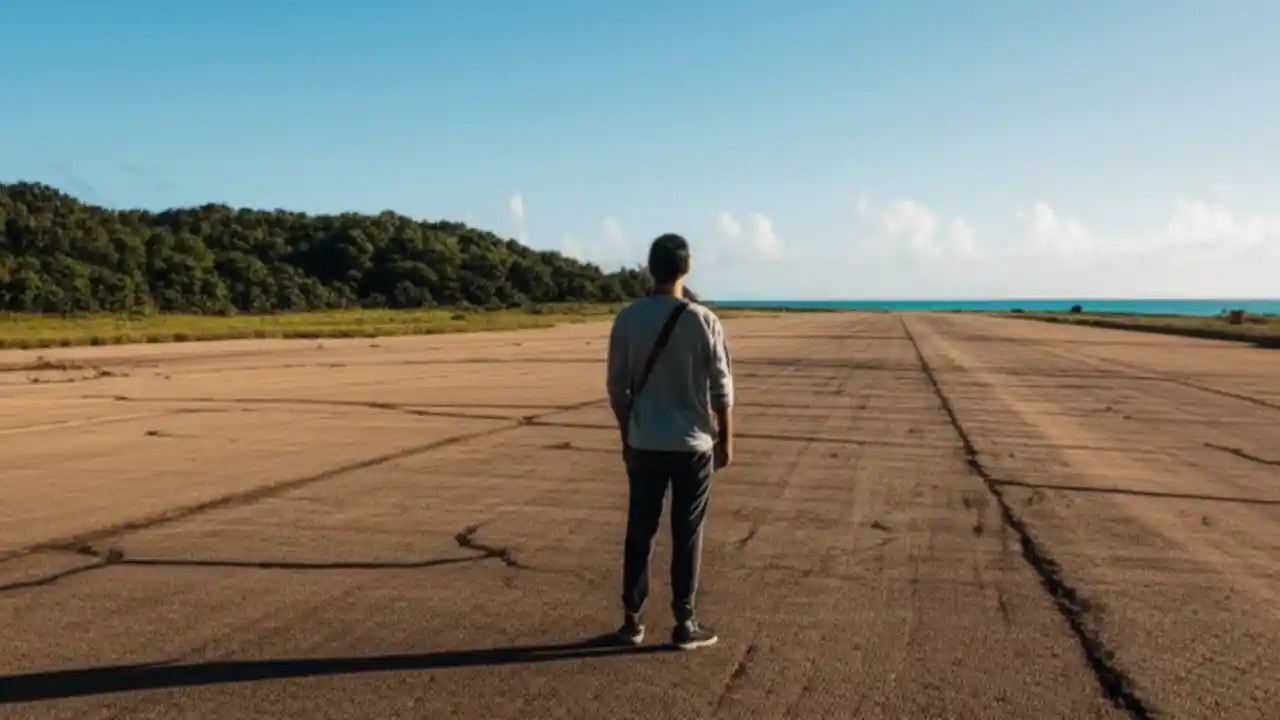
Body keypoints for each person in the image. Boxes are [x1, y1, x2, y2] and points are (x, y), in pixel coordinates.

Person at [605, 233, 735, 650]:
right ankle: (685, 621)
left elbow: (616, 388)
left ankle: (632, 622)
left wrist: (629, 432)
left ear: (649, 267)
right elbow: (722, 388)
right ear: (687, 268)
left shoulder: (627, 318)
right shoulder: (703, 319)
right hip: (693, 446)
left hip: (645, 443)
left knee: (639, 532)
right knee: (687, 533)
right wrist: (726, 440)